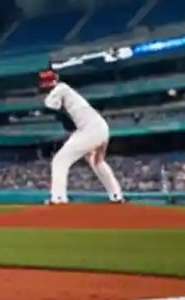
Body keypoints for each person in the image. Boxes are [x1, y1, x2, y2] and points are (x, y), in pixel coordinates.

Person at [38, 67, 125, 205]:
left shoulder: (61, 88)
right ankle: (116, 195)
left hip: (90, 129)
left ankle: (58, 199)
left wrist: (44, 95)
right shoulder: (67, 92)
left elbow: (49, 105)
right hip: (100, 127)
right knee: (97, 162)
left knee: (60, 161)